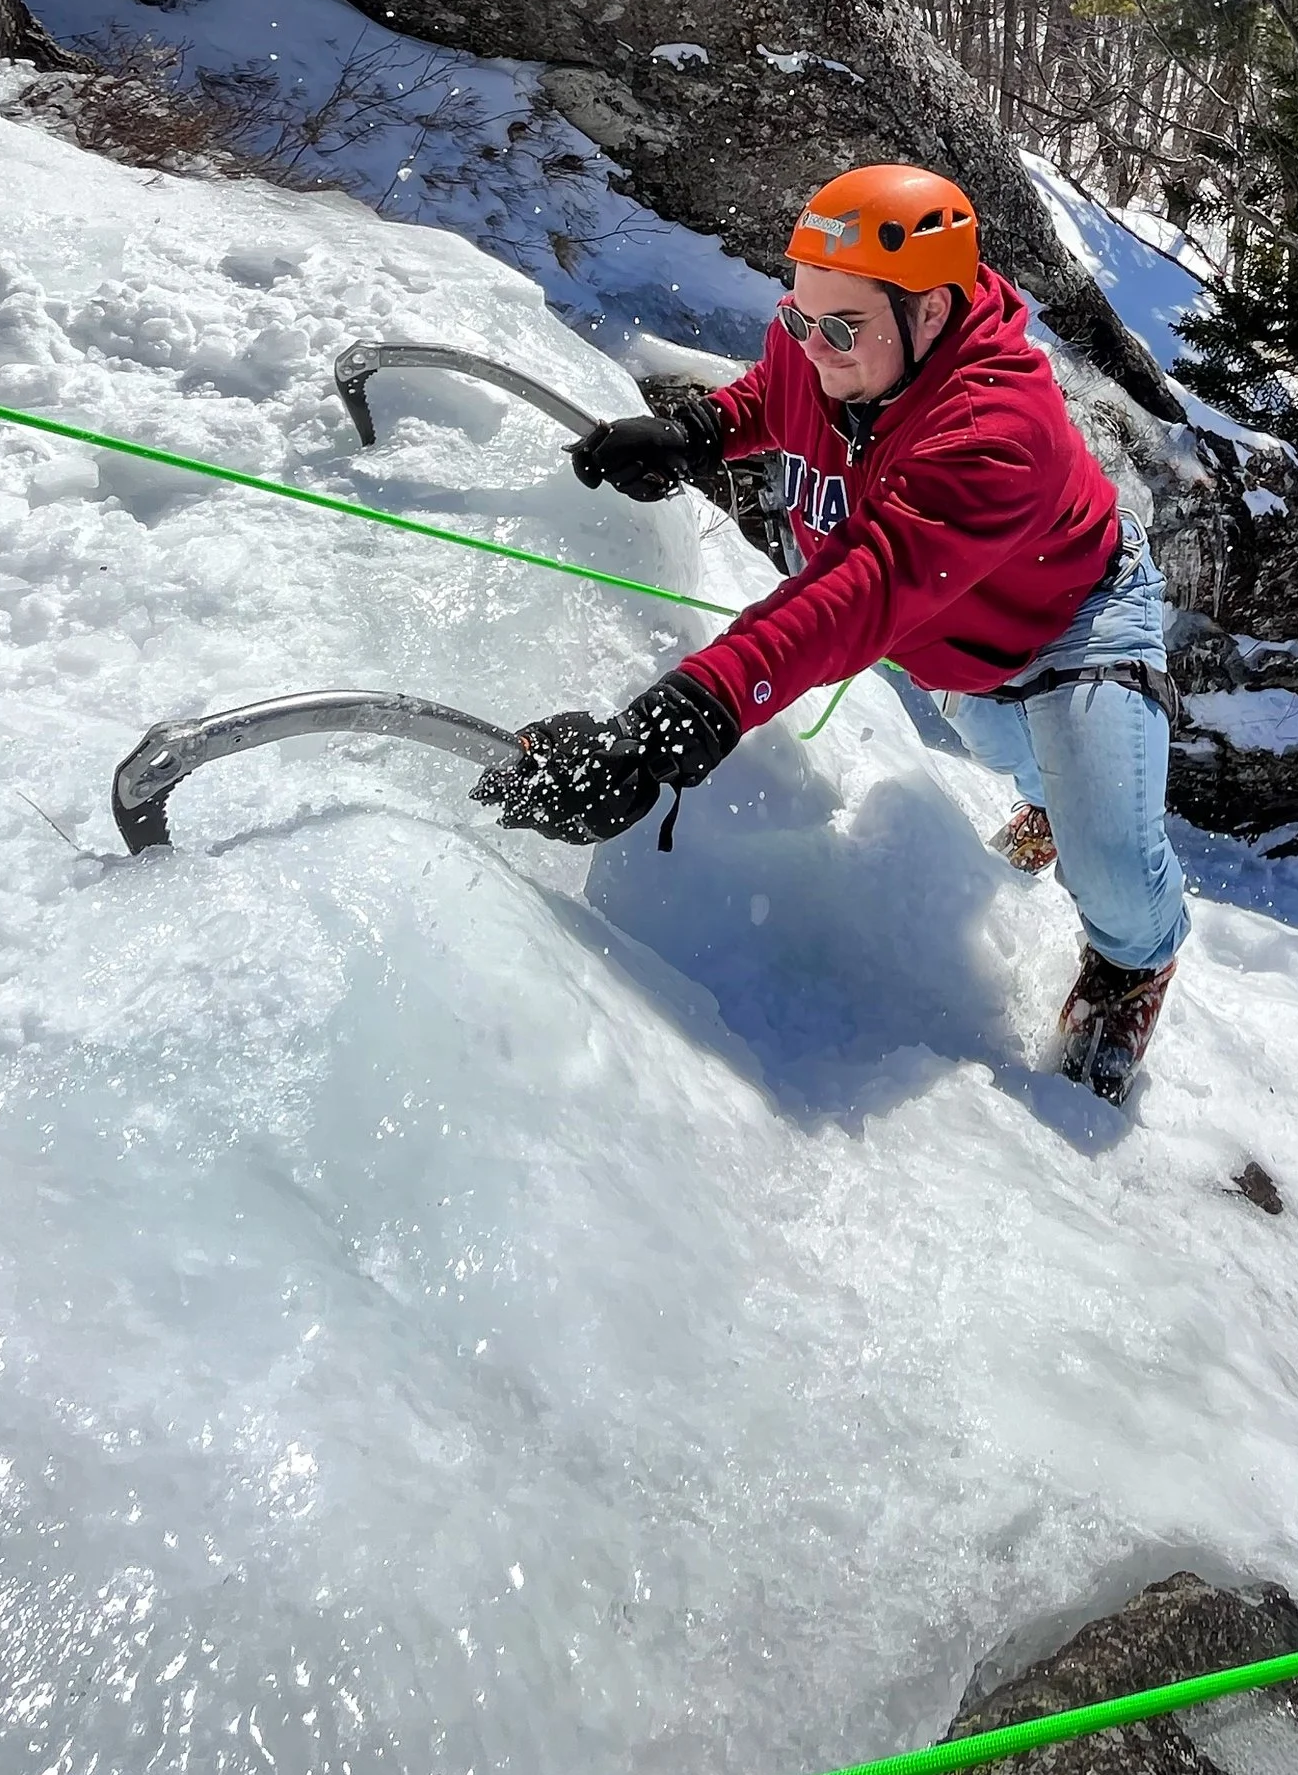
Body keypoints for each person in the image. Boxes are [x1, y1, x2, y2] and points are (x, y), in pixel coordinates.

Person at [472, 163, 1189, 1101]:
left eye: (840, 327)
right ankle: (1049, 800)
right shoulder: (832, 341)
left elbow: (862, 587)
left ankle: (1137, 958)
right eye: (799, 314)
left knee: (1115, 877)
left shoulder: (995, 427)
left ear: (931, 312)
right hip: (952, 641)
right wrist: (694, 435)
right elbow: (776, 393)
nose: (811, 343)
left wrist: (672, 727)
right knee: (1020, 754)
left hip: (1077, 621)